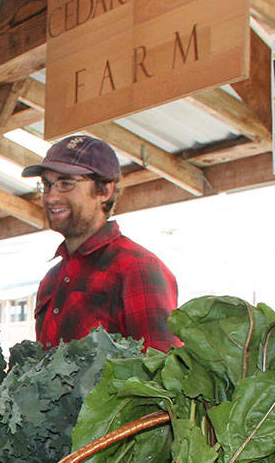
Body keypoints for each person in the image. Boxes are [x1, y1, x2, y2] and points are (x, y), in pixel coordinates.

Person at [23, 135, 179, 351]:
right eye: (47, 185)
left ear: (105, 191)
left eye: (66, 183)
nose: (50, 197)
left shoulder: (137, 267)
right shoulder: (52, 280)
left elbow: (161, 369)